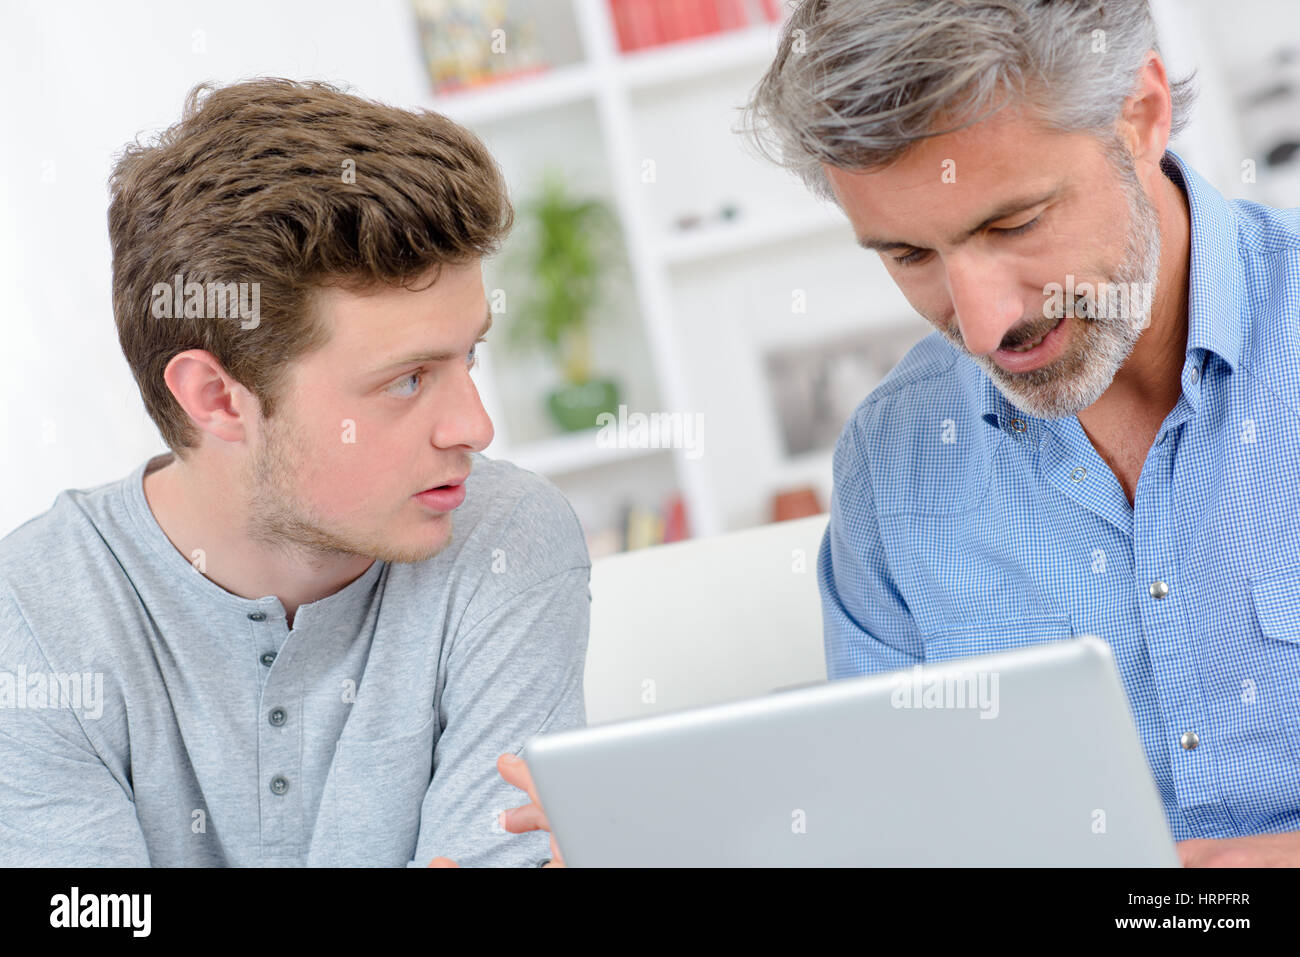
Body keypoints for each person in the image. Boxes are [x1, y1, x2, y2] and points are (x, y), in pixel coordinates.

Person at [744, 0, 1300, 866]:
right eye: (909, 256)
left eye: (1013, 224)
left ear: (1142, 114)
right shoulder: (889, 468)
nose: (980, 326)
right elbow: (886, 836)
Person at [0, 78, 579, 867]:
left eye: (468, 355)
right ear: (217, 398)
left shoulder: (506, 539)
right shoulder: (33, 617)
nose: (475, 427)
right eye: (407, 379)